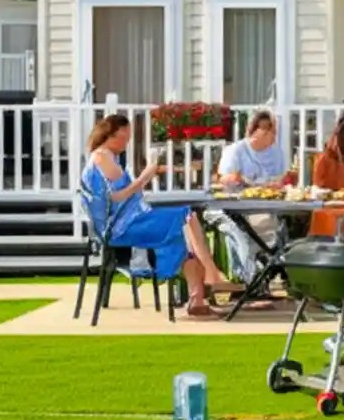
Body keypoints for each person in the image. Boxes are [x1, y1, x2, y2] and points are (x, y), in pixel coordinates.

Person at [82, 115, 242, 319]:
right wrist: (144, 177)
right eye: (123, 138)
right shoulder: (102, 156)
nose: (126, 143)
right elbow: (116, 197)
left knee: (182, 241)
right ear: (110, 135)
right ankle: (211, 273)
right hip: (123, 226)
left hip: (124, 223)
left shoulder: (106, 157)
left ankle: (197, 300)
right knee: (187, 214)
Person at [213, 111, 289, 284]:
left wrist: (279, 183)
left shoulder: (276, 152)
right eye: (267, 130)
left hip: (268, 204)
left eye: (271, 130)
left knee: (282, 226)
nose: (271, 135)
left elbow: (280, 179)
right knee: (244, 229)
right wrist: (237, 178)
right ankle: (250, 276)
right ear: (256, 131)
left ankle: (275, 268)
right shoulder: (236, 150)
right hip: (238, 204)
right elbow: (223, 178)